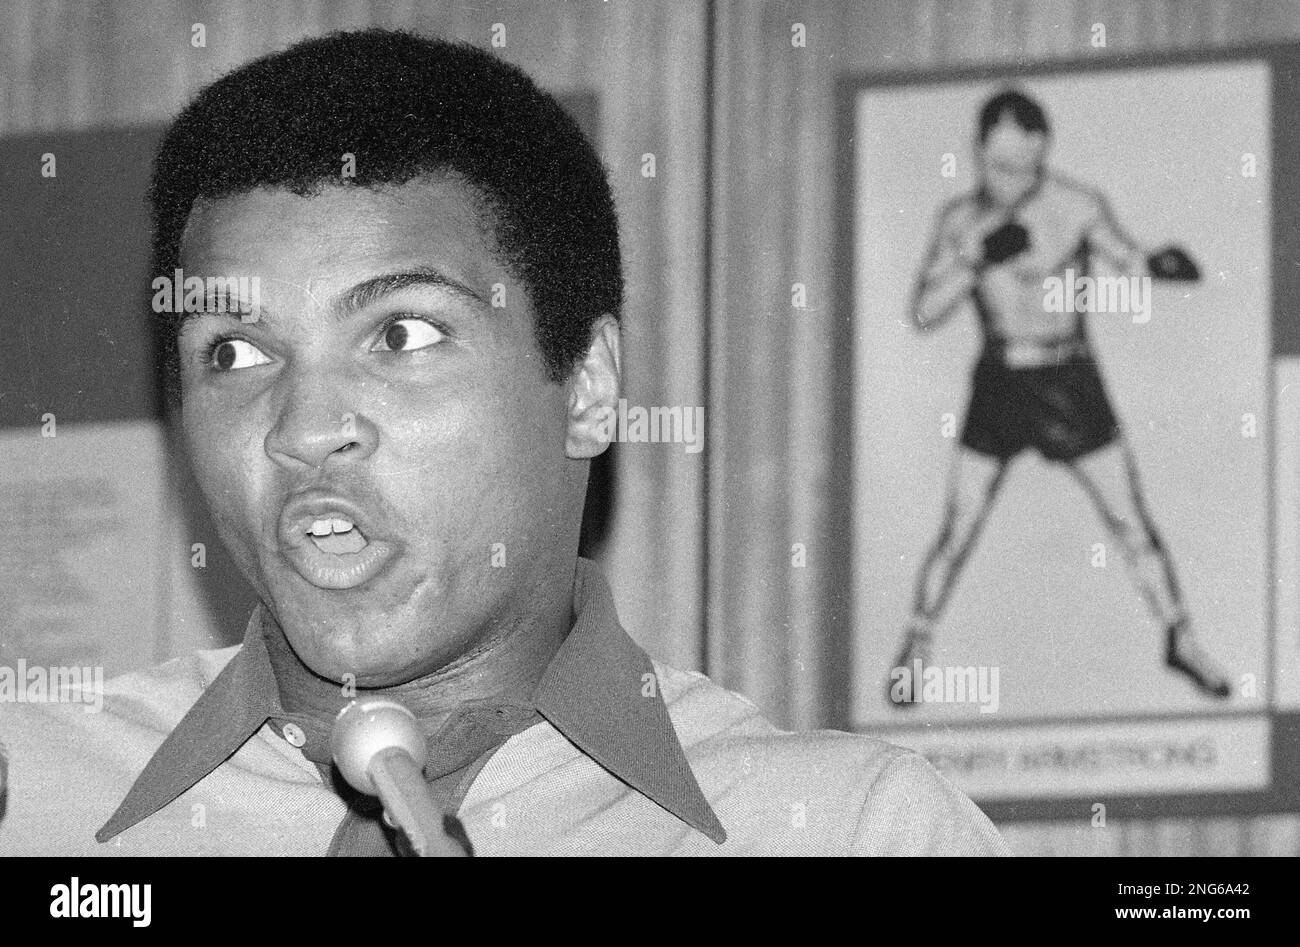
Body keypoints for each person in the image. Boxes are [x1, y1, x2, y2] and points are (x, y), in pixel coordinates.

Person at [0, 29, 1006, 855]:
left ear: (589, 386)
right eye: (233, 350)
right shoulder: (27, 797)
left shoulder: (852, 832)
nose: (305, 427)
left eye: (403, 334)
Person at [890, 88, 1231, 706]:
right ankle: (916, 647)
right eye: (996, 168)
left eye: (1023, 170)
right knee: (958, 526)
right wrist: (974, 258)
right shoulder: (961, 222)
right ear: (977, 153)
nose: (1009, 183)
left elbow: (1128, 260)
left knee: (1130, 519)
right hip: (999, 381)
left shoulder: (1075, 206)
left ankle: (1180, 637)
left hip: (1068, 380)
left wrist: (1161, 265)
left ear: (1043, 156)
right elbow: (923, 311)